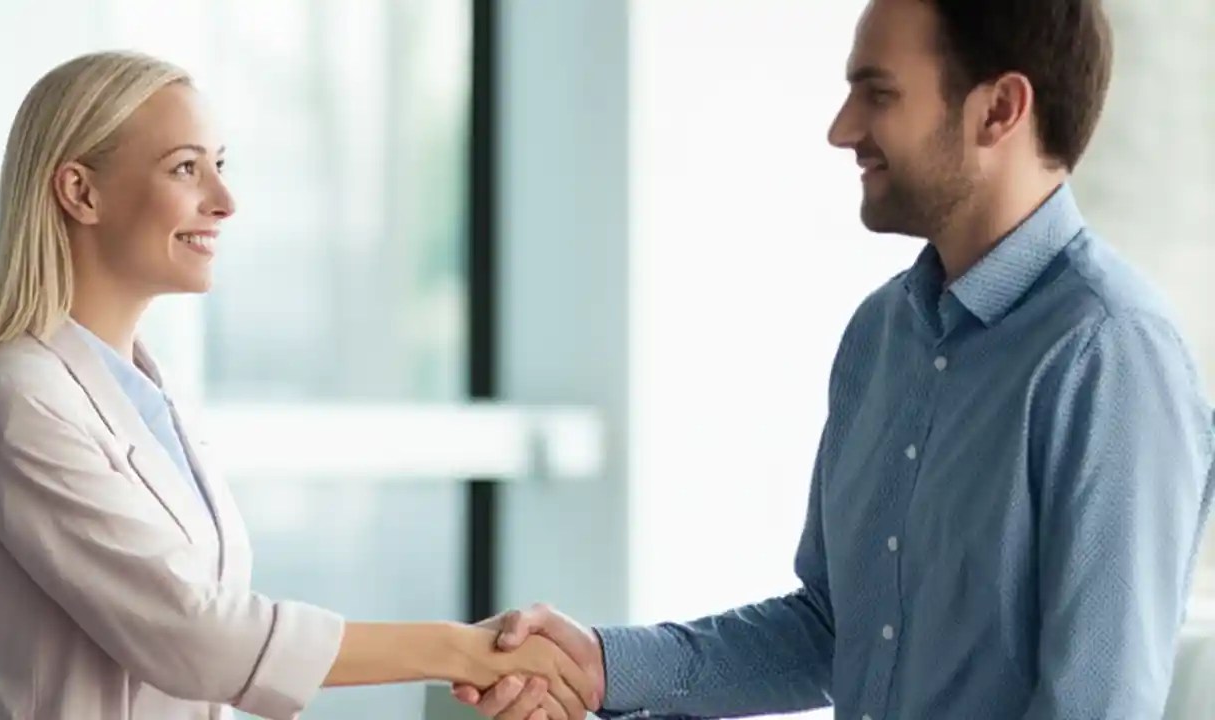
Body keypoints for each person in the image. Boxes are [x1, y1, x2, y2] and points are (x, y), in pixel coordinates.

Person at [455, 0, 1215, 718]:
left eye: (877, 94)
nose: (842, 129)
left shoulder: (1111, 355)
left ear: (999, 110)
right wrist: (603, 664)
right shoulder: (883, 335)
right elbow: (832, 628)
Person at [0, 51, 598, 720]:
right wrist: (459, 650)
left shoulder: (145, 399)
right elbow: (197, 637)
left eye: (219, 166)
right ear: (81, 192)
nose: (224, 202)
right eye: (185, 168)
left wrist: (477, 656)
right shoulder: (19, 399)